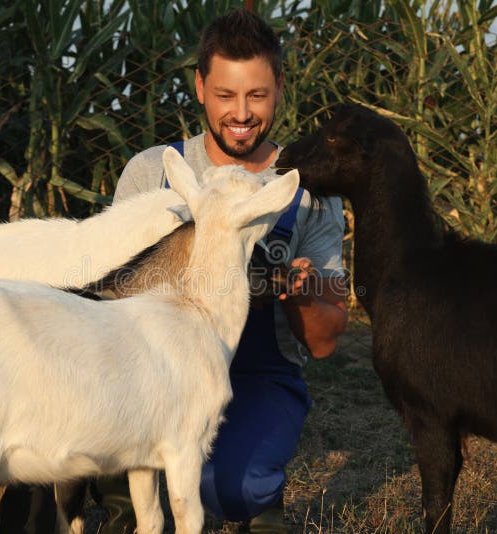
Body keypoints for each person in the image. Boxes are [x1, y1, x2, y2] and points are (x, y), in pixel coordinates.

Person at [98, 8, 348, 533]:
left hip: (253, 374)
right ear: (200, 86)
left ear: (279, 87)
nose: (241, 113)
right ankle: (121, 504)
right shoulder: (153, 172)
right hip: (147, 373)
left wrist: (297, 291)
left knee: (229, 486)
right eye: (226, 95)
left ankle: (254, 488)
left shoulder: (306, 194)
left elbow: (325, 343)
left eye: (257, 95)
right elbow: (104, 304)